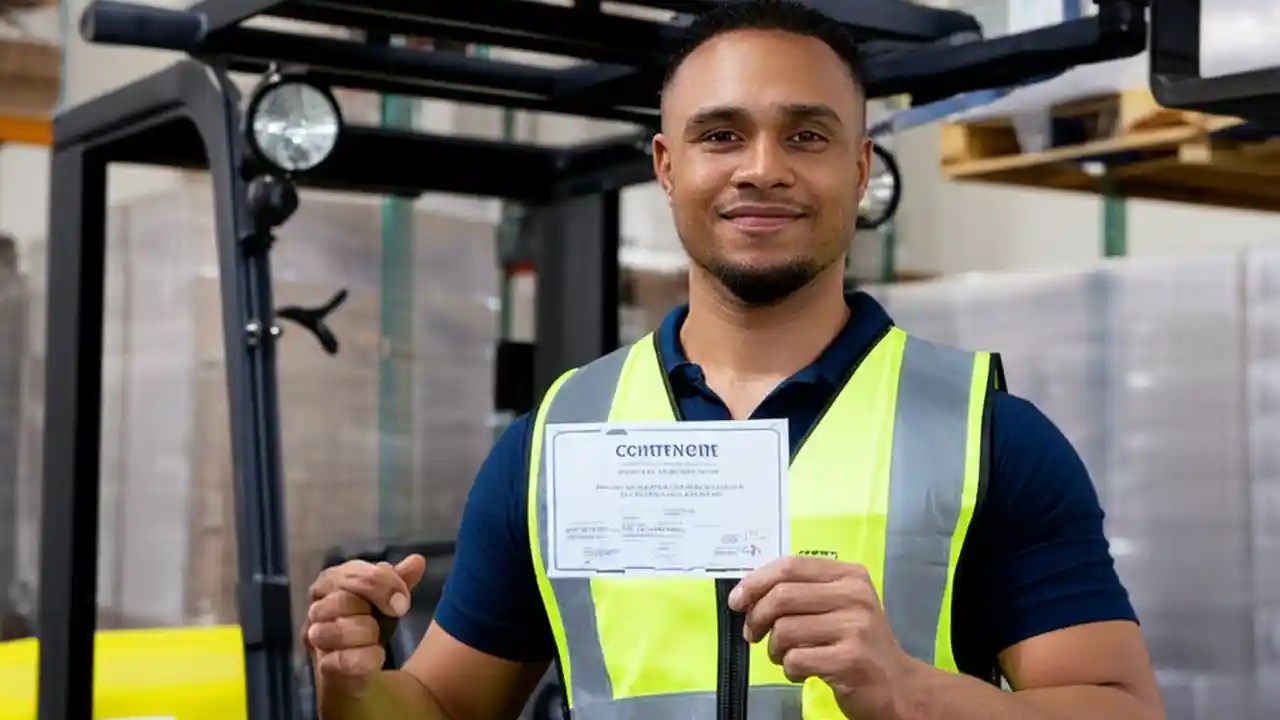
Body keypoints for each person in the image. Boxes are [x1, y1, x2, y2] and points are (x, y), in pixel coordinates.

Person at [302, 2, 1165, 718]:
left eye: (807, 137)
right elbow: (445, 710)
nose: (763, 169)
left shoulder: (987, 435)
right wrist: (351, 683)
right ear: (667, 168)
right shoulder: (558, 439)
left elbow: (1121, 708)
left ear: (860, 169)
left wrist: (910, 692)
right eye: (721, 136)